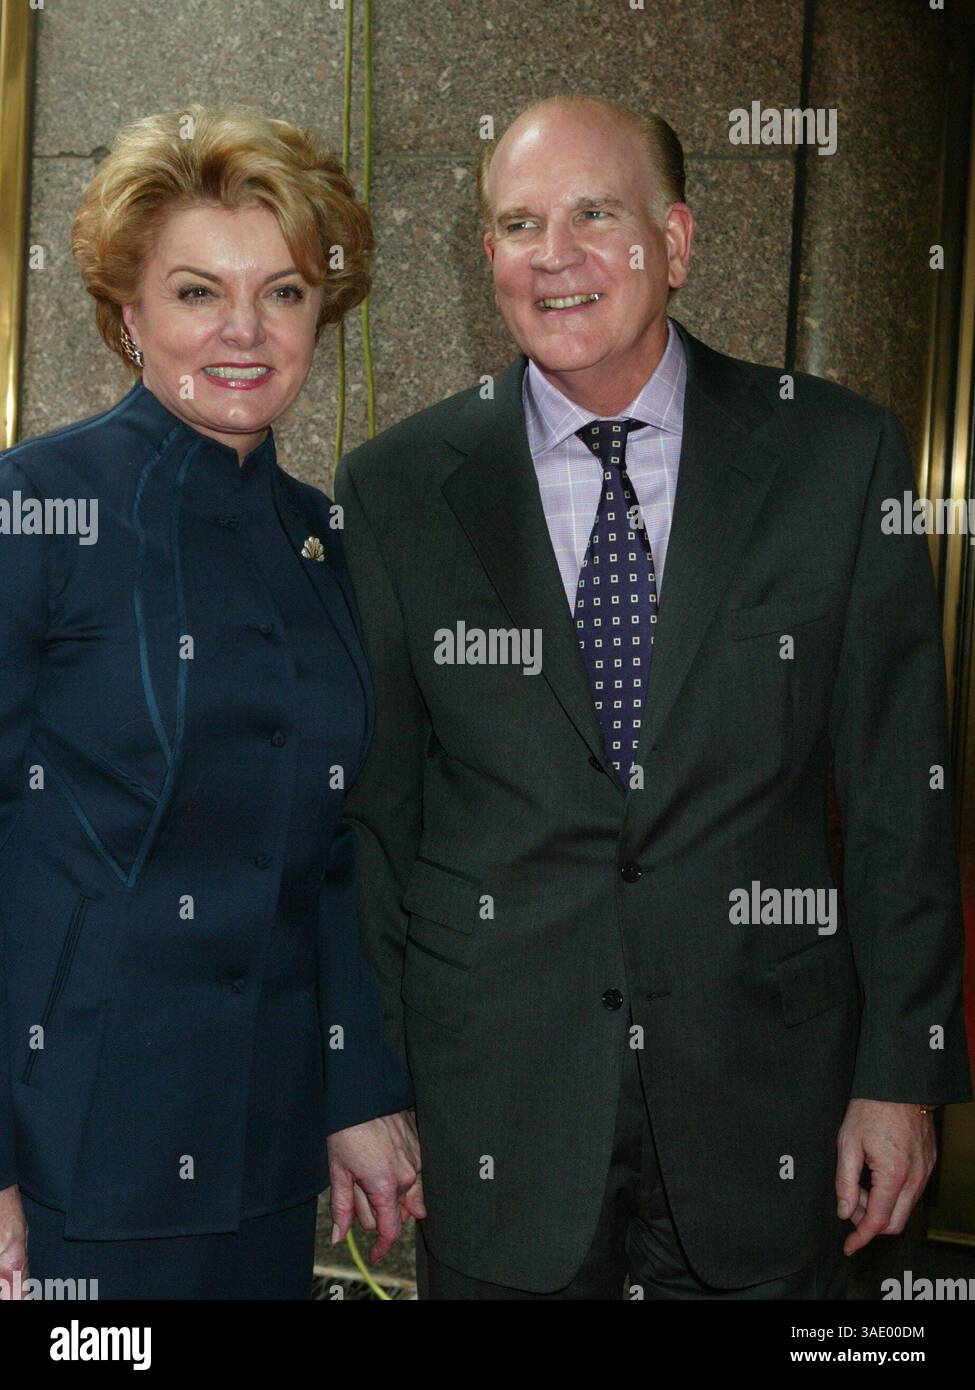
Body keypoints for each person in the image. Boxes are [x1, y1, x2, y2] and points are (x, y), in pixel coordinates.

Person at [334, 93, 972, 1300]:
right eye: (520, 223)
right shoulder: (397, 488)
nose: (554, 255)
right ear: (487, 260)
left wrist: (904, 1075)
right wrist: (368, 1088)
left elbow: (903, 799)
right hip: (498, 1114)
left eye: (594, 214)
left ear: (673, 243)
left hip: (770, 1113)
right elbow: (378, 823)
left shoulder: (838, 458)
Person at [0, 104, 422, 1301]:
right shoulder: (34, 510)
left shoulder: (322, 540)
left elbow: (327, 854)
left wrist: (356, 1090)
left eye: (283, 292)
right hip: (68, 1152)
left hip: (265, 1150)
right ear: (128, 314)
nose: (243, 331)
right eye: (197, 292)